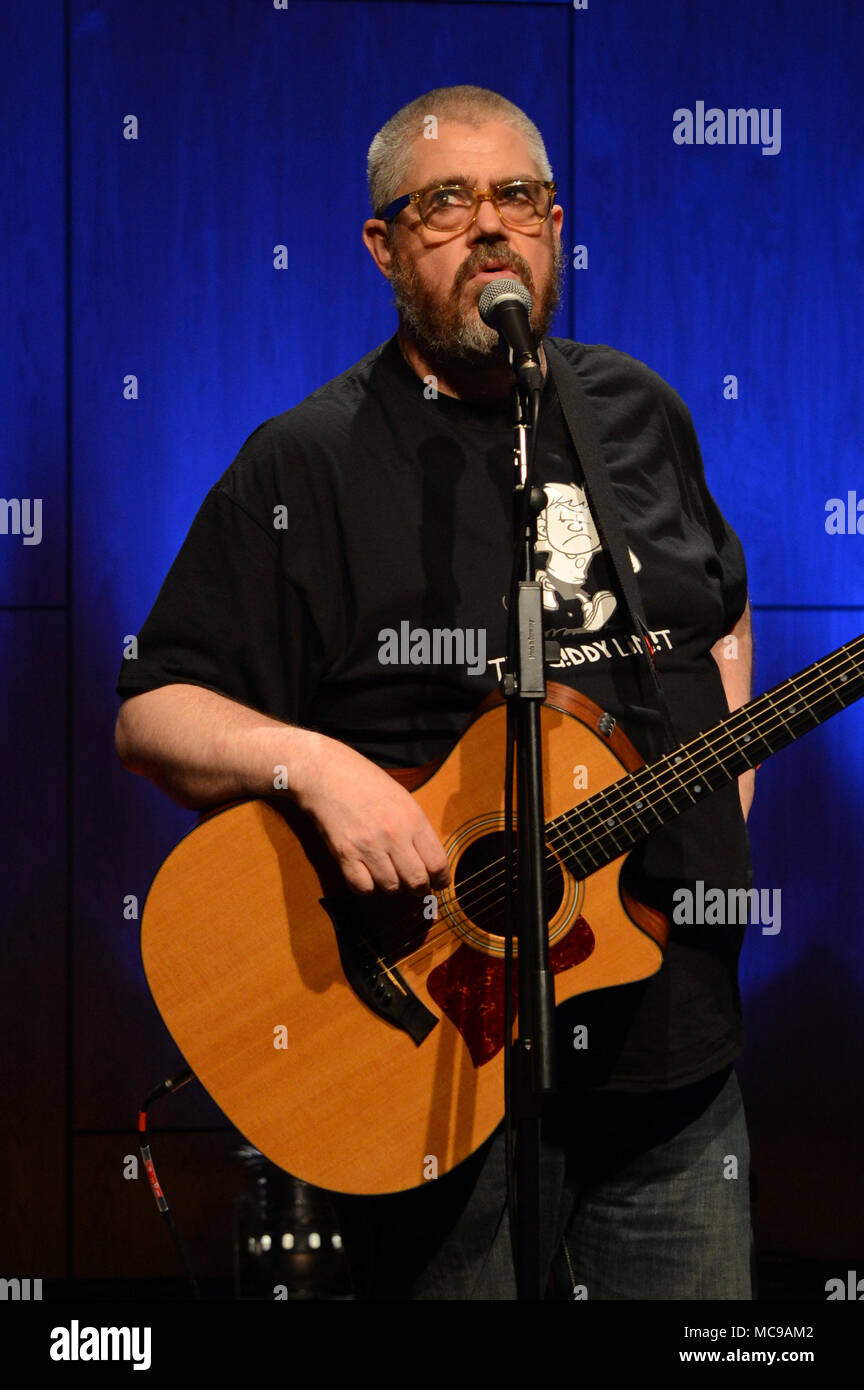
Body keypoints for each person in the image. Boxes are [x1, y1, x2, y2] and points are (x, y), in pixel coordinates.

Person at [115, 85, 756, 1300]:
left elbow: (721, 609)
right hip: (423, 1064)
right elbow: (155, 709)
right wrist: (323, 769)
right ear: (384, 245)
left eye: (519, 196)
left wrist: (727, 786)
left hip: (669, 1061)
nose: (491, 226)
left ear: (556, 224)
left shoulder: (635, 412)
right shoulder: (306, 459)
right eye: (446, 202)